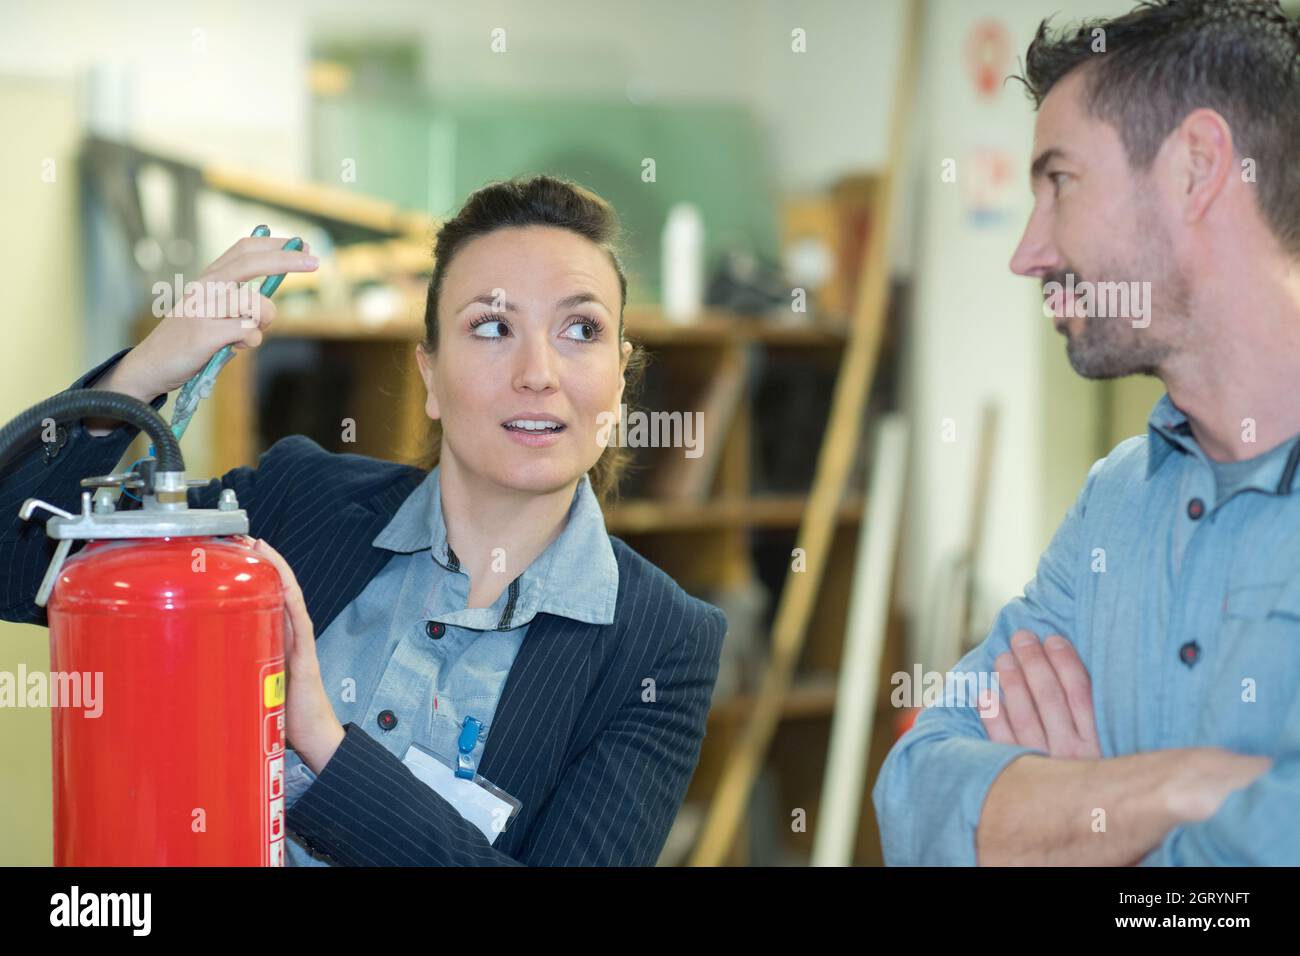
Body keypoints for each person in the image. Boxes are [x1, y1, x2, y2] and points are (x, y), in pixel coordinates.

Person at [0, 174, 728, 866]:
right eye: (493, 326)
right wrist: (144, 375)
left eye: (581, 329)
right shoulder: (298, 500)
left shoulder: (661, 644)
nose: (538, 371)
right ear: (431, 378)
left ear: (620, 378)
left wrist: (320, 737)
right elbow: (15, 562)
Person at [874, 0, 1300, 865]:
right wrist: (1172, 788)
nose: (1027, 252)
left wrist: (1078, 823)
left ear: (1197, 167)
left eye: (1059, 182)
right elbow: (914, 796)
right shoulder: (1114, 502)